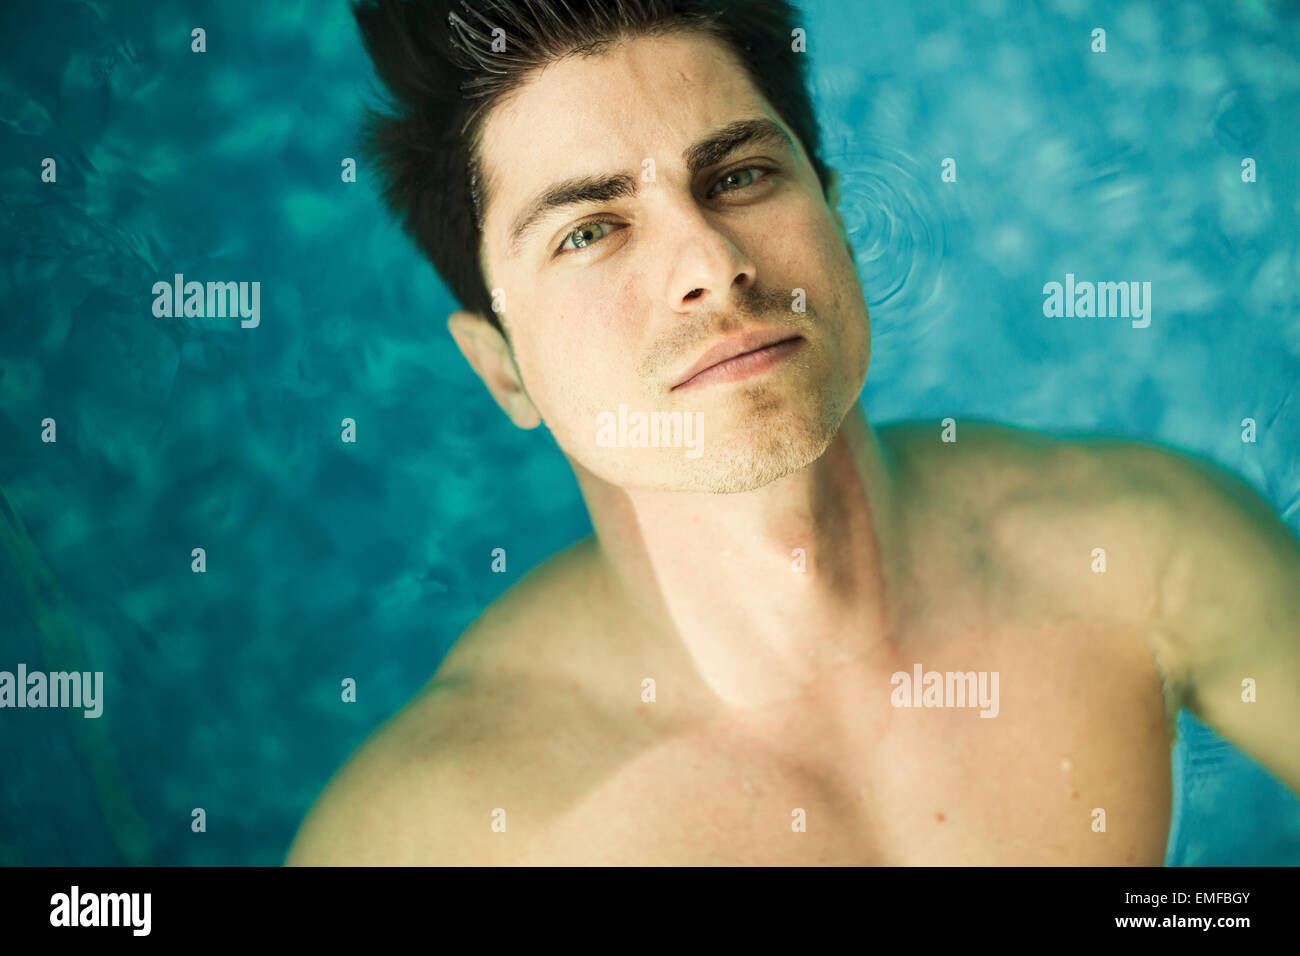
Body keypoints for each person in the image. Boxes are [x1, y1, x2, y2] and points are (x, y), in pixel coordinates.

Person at [286, 0, 1300, 864]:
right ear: (503, 369)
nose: (709, 258)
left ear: (840, 220)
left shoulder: (1145, 553)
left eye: (736, 176)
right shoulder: (435, 835)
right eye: (588, 230)